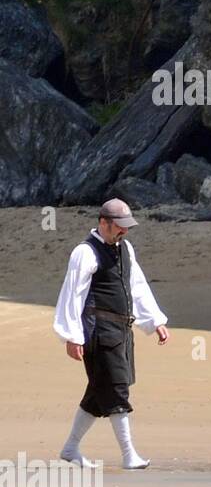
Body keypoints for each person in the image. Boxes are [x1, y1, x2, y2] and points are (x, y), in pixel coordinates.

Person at [54, 199, 170, 470]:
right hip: (98, 332)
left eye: (127, 227)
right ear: (103, 223)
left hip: (121, 331)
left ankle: (70, 449)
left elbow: (137, 287)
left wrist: (155, 321)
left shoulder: (125, 248)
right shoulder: (85, 252)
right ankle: (129, 455)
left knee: (99, 392)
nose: (124, 232)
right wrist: (72, 336)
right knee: (117, 390)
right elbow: (72, 295)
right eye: (120, 227)